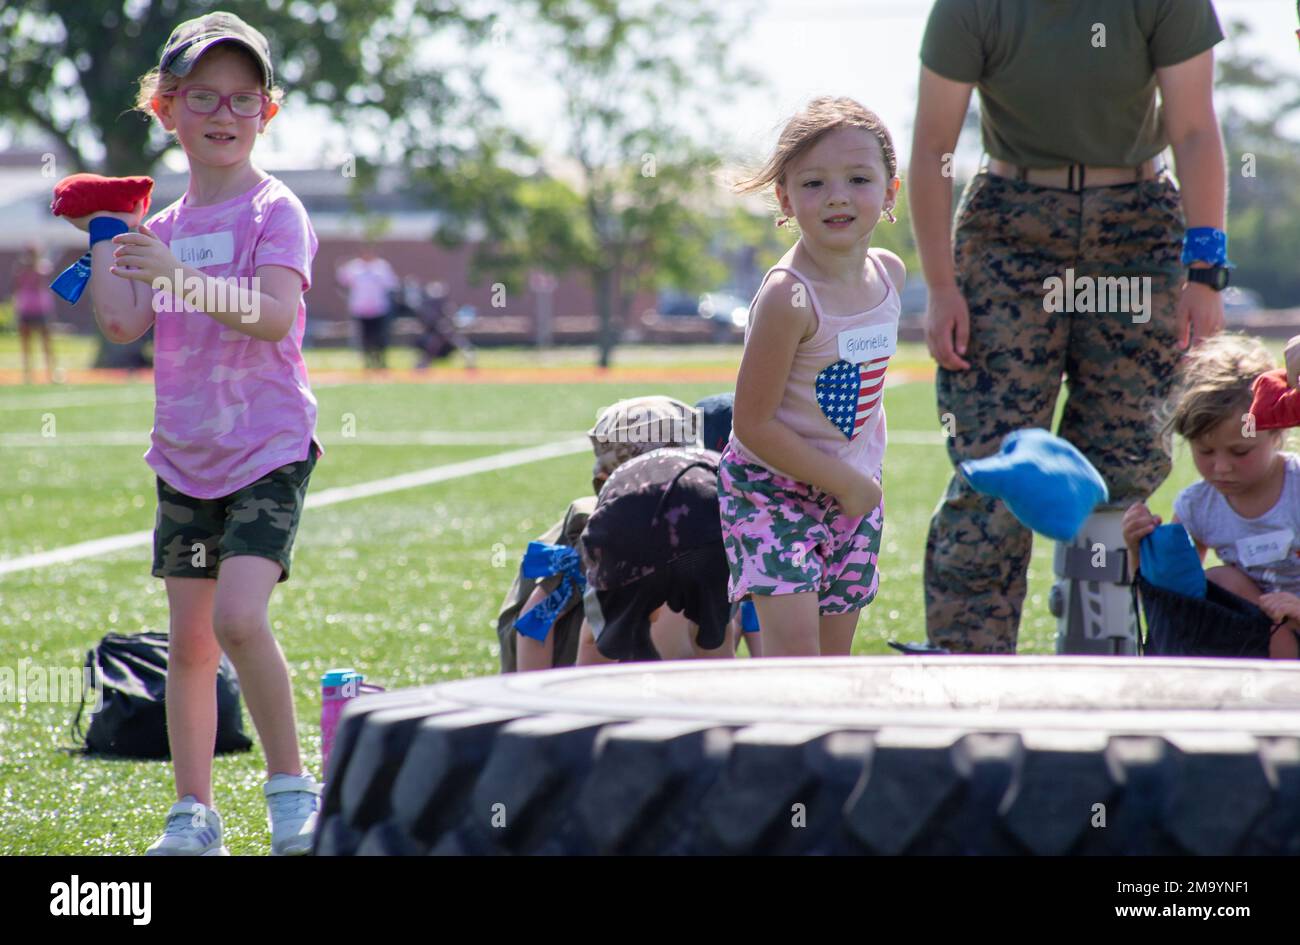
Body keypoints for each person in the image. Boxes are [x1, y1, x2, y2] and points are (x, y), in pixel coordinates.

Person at [64, 11, 323, 855]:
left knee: (242, 618)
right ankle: (193, 813)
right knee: (189, 644)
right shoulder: (164, 226)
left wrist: (181, 274)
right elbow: (122, 322)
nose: (223, 113)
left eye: (243, 99)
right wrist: (110, 236)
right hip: (184, 454)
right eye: (201, 95)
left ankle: (291, 790)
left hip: (266, 449)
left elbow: (274, 314)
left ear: (267, 113)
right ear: (164, 108)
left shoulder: (274, 210)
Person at [911, 0, 1229, 653]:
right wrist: (941, 286)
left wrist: (1204, 272)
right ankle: (966, 669)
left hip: (1135, 229)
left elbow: (1195, 129)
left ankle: (1097, 647)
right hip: (1009, 233)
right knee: (994, 461)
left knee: (1123, 458)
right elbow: (934, 145)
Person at [720, 96, 901, 658]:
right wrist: (843, 481)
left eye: (858, 178)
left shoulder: (889, 273)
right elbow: (752, 422)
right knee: (795, 661)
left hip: (852, 494)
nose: (838, 196)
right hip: (773, 494)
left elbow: (861, 383)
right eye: (814, 183)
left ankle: (826, 748)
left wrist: (858, 473)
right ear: (785, 198)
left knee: (833, 663)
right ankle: (776, 749)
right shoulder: (787, 296)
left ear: (891, 192)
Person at [497, 395, 706, 671]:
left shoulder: (689, 524)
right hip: (571, 669)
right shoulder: (594, 534)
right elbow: (535, 622)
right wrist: (536, 695)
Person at [1122, 335, 1300, 659]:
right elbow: (1178, 596)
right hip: (1266, 635)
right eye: (1204, 451)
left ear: (1277, 433)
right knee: (1220, 580)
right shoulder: (1198, 506)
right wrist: (1141, 550)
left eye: (1240, 451)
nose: (1221, 467)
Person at [579, 447, 734, 663]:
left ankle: (586, 694)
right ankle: (720, 691)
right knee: (714, 636)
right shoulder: (706, 458)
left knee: (599, 643)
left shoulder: (622, 477)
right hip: (704, 526)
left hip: (625, 530)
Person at [336, 245, 398, 370]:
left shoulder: (382, 267)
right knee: (365, 338)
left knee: (380, 337)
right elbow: (342, 282)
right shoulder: (353, 267)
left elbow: (391, 285)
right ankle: (367, 362)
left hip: (379, 308)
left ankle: (380, 362)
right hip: (360, 308)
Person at [9, 244, 60, 383]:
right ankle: (28, 374)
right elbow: (16, 288)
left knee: (46, 342)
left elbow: (44, 281)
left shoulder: (41, 268)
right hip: (25, 308)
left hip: (40, 308)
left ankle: (52, 372)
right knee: (26, 343)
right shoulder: (20, 270)